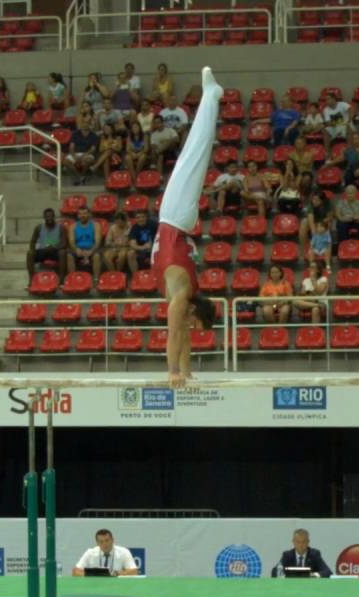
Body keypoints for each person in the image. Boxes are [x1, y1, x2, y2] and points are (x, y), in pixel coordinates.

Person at [155, 66, 220, 388]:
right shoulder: (182, 297)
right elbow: (176, 334)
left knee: (193, 155)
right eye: (198, 325)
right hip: (175, 219)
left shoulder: (184, 296)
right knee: (195, 153)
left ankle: (211, 97)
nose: (191, 330)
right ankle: (211, 95)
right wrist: (172, 372)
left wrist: (187, 372)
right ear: (196, 313)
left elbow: (183, 338)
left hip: (175, 219)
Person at [73, 528, 139, 576]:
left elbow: (134, 571)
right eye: (101, 542)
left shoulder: (124, 552)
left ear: (112, 540)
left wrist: (118, 574)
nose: (104, 544)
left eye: (107, 540)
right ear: (97, 543)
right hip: (95, 585)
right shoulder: (90, 553)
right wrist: (92, 574)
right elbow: (75, 571)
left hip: (117, 586)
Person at [28, 209, 68, 279]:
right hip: (43, 251)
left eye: (51, 216)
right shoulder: (39, 227)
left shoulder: (61, 227)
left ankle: (61, 279)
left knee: (62, 252)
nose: (49, 218)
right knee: (30, 253)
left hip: (55, 251)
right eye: (47, 216)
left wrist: (54, 247)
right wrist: (32, 250)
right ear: (44, 217)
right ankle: (32, 279)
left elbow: (64, 243)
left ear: (54, 217)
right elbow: (33, 241)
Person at [334, 184, 359, 249]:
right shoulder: (340, 203)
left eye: (352, 193)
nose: (350, 195)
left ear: (355, 193)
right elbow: (338, 216)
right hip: (344, 221)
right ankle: (343, 247)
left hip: (356, 220)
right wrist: (345, 219)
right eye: (348, 193)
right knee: (340, 225)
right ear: (345, 194)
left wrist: (355, 217)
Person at [68, 207, 103, 278]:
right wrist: (76, 249)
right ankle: (72, 278)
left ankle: (96, 279)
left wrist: (91, 251)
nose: (82, 216)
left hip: (92, 248)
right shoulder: (73, 226)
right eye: (80, 214)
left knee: (96, 256)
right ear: (78, 215)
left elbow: (97, 242)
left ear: (89, 214)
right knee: (69, 255)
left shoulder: (96, 225)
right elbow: (71, 241)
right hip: (78, 249)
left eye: (84, 213)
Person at [65, 119, 99, 185]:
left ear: (89, 125)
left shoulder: (94, 135)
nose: (85, 125)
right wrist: (74, 155)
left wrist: (83, 156)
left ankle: (82, 175)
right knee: (66, 161)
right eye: (83, 123)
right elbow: (71, 147)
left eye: (86, 123)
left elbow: (92, 149)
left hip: (87, 153)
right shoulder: (75, 134)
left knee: (86, 161)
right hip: (76, 153)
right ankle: (80, 177)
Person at [294, 260, 329, 324]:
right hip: (308, 301)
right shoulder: (305, 280)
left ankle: (315, 330)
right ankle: (318, 305)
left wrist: (313, 280)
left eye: (313, 267)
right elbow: (303, 294)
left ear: (318, 270)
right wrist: (304, 293)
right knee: (295, 301)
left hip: (320, 301)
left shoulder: (323, 279)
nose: (310, 269)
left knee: (315, 309)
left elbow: (319, 292)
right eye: (310, 267)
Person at [303, 193, 333, 266]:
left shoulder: (328, 204)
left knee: (328, 224)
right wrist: (314, 233)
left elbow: (330, 217)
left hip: (323, 221)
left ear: (322, 200)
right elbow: (310, 219)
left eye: (317, 200)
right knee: (304, 222)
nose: (314, 201)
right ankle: (304, 248)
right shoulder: (310, 205)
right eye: (313, 199)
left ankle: (326, 247)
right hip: (314, 222)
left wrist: (322, 223)